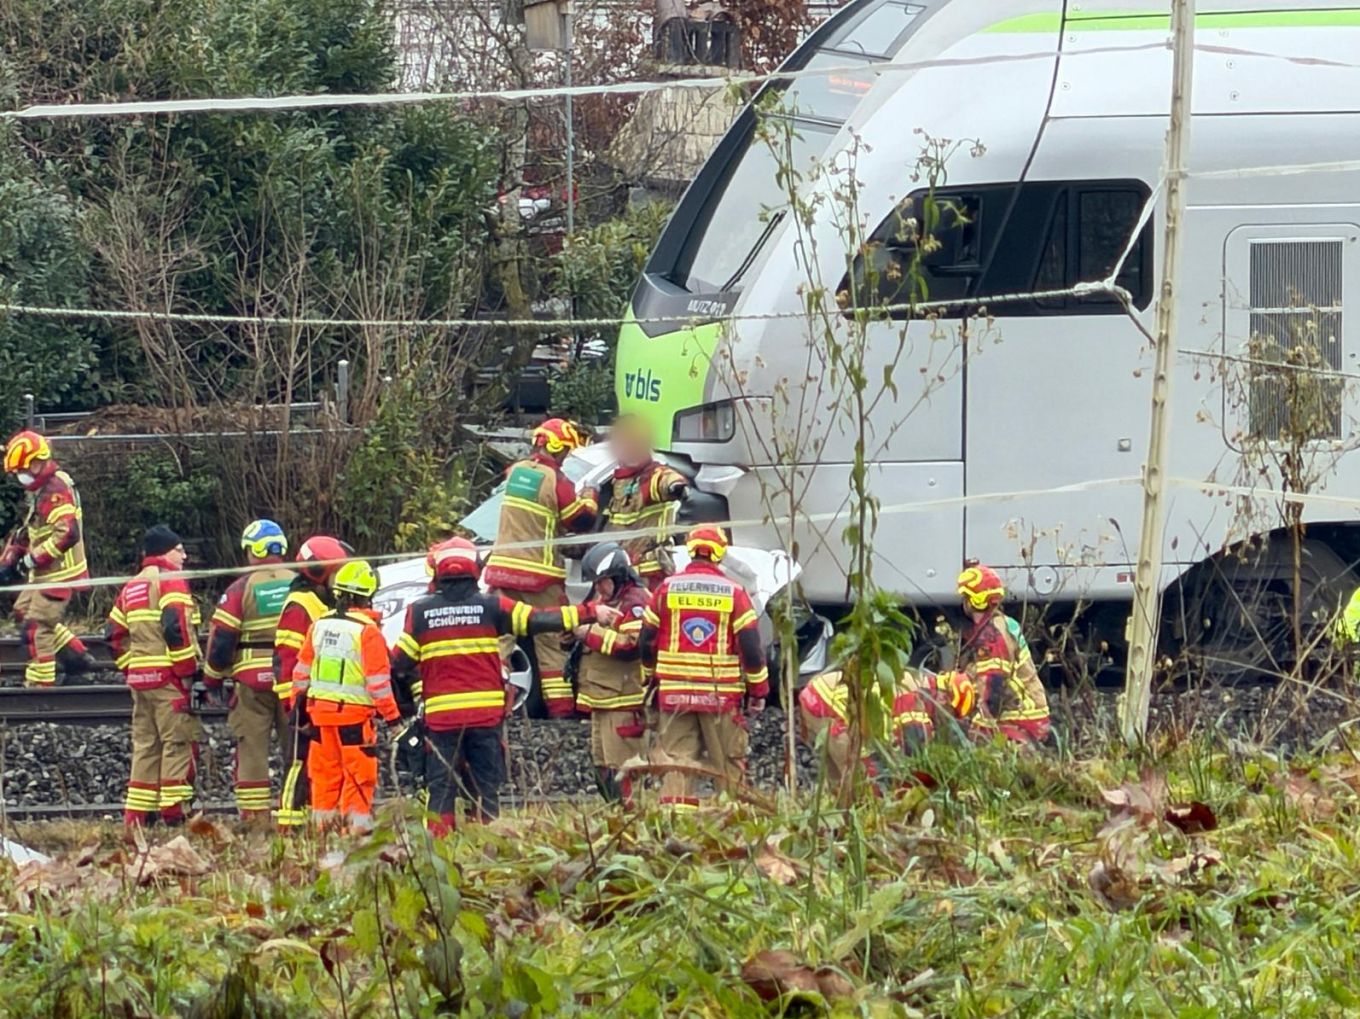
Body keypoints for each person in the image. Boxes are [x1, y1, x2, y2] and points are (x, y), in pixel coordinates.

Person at [392, 537, 616, 834]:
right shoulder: (493, 606)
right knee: (486, 788)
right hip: (485, 718)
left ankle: (439, 854)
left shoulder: (419, 613)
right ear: (475, 568)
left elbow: (399, 663)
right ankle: (487, 848)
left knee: (441, 791)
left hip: (442, 721)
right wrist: (590, 612)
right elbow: (541, 619)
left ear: (437, 570)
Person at [639, 525, 768, 811]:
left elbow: (647, 639)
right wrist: (759, 690)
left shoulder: (665, 589)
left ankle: (675, 828)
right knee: (728, 765)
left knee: (677, 763)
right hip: (720, 697)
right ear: (720, 554)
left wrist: (647, 676)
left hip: (674, 696)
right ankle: (733, 828)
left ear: (690, 550)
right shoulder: (735, 594)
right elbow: (751, 647)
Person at [483, 418, 599, 718]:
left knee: (499, 644)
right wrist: (590, 497)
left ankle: (493, 710)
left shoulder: (514, 472)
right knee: (552, 644)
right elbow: (581, 522)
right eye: (566, 452)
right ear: (558, 448)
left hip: (502, 573)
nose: (565, 458)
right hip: (539, 576)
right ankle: (561, 715)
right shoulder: (557, 481)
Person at [291, 560, 399, 833]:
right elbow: (378, 685)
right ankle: (354, 835)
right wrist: (393, 718)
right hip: (353, 719)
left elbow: (300, 674)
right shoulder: (367, 631)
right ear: (368, 596)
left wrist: (298, 711)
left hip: (318, 717)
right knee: (358, 777)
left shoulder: (319, 626)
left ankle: (323, 835)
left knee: (324, 776)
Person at [107, 525, 201, 827]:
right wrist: (186, 672)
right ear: (164, 552)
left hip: (141, 681)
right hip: (168, 680)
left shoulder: (132, 585)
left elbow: (112, 634)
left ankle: (136, 817)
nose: (184, 555)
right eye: (179, 549)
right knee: (178, 742)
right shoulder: (170, 581)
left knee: (146, 746)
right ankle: (175, 813)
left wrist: (131, 667)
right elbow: (177, 628)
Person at [203, 520, 293, 823]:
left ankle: (255, 818)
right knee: (296, 747)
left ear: (253, 550)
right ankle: (296, 812)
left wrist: (212, 678)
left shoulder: (241, 588)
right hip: (293, 678)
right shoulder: (301, 582)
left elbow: (222, 639)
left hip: (252, 682)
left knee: (252, 748)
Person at [0, 430, 95, 687]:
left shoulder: (55, 490)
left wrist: (31, 560)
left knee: (36, 627)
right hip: (45, 572)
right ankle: (76, 657)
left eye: (22, 470)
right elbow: (32, 528)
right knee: (22, 611)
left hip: (57, 573)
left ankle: (41, 686)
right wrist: (10, 558)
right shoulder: (43, 487)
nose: (21, 477)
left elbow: (67, 534)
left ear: (37, 462)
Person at [273, 535, 353, 830]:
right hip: (303, 703)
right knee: (298, 762)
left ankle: (316, 818)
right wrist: (295, 707)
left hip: (321, 700)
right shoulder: (301, 606)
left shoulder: (322, 601)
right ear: (320, 574)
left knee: (321, 764)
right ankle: (289, 822)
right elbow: (287, 661)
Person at [797, 664, 976, 795]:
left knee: (838, 781)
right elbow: (914, 754)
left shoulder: (916, 682)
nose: (947, 720)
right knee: (861, 777)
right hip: (828, 703)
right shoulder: (917, 702)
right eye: (951, 714)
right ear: (945, 699)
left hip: (820, 695)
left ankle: (832, 831)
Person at [574, 541, 652, 805]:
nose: (598, 589)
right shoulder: (605, 599)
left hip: (623, 699)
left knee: (625, 771)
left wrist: (589, 634)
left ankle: (632, 824)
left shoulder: (636, 603)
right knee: (603, 769)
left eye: (602, 582)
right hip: (601, 698)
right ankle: (613, 819)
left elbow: (630, 645)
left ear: (618, 577)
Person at [954, 564, 1050, 744]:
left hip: (1017, 720)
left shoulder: (991, 636)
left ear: (974, 601)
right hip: (1031, 715)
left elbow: (993, 684)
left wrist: (980, 727)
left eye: (965, 597)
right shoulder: (1003, 623)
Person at [603, 414, 687, 591]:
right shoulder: (620, 480)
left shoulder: (651, 475)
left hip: (649, 574)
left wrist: (676, 487)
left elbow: (666, 480)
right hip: (625, 571)